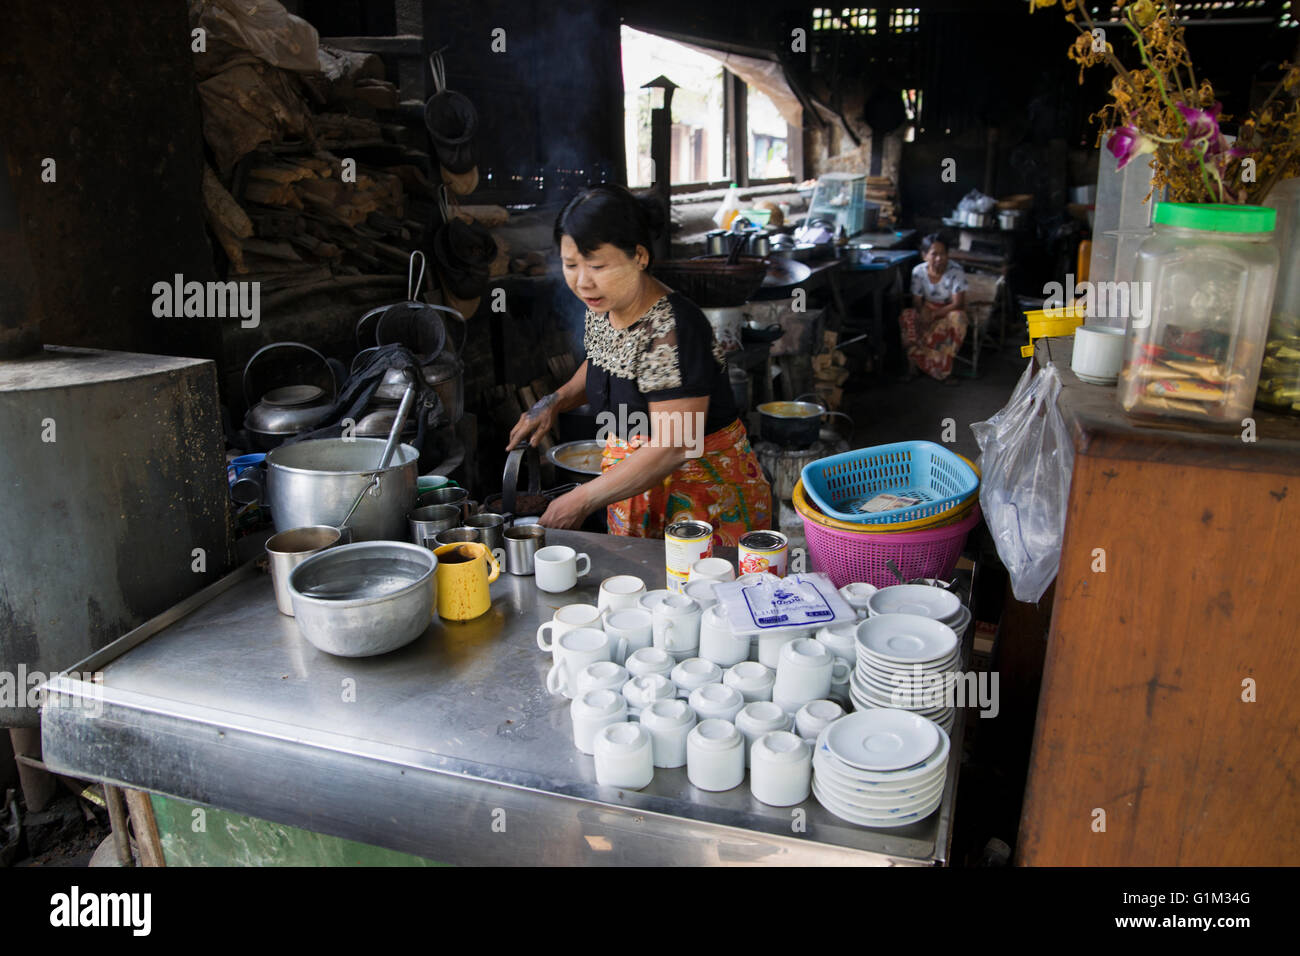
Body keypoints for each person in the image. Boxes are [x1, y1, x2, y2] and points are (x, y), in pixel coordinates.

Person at [506, 184, 772, 544]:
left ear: (639, 257)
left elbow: (676, 444)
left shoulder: (672, 329)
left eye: (598, 266)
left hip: (702, 498)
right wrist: (554, 401)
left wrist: (582, 499)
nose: (583, 281)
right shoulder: (604, 306)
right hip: (634, 484)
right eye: (571, 265)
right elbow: (606, 361)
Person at [899, 231, 968, 384]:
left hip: (948, 310)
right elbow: (917, 300)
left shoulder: (956, 271)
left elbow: (958, 303)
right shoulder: (918, 272)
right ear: (924, 255)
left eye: (942, 254)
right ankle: (913, 367)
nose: (938, 258)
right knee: (907, 315)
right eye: (934, 254)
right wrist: (923, 311)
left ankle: (944, 371)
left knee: (959, 318)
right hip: (928, 308)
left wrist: (935, 314)